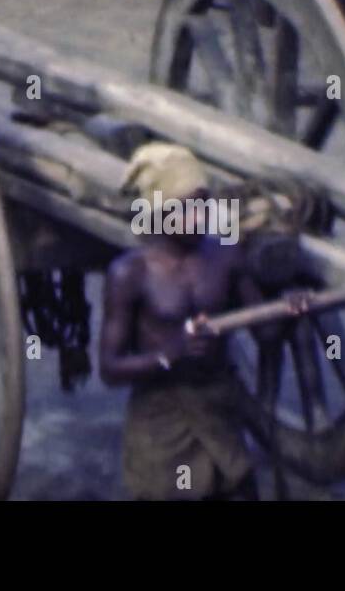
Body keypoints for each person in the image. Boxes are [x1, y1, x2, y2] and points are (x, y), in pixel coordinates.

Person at [100, 142, 296, 501]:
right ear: (158, 211)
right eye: (183, 208)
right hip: (161, 422)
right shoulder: (130, 273)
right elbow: (110, 369)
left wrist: (288, 308)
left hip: (218, 409)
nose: (196, 217)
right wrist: (168, 355)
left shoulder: (225, 255)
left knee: (238, 488)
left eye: (201, 203)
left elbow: (267, 334)